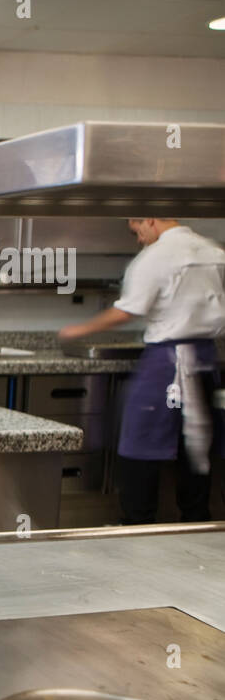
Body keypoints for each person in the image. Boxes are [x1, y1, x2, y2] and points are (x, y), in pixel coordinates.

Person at [60, 218, 225, 524]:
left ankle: (137, 525)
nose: (138, 239)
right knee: (196, 449)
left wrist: (78, 330)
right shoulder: (213, 251)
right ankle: (196, 523)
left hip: (168, 364)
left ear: (148, 220)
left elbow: (127, 310)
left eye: (136, 231)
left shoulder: (155, 257)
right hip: (206, 361)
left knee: (138, 444)